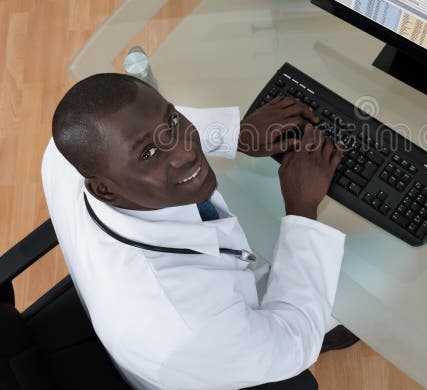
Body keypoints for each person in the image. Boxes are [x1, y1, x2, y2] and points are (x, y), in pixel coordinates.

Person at [41, 73, 357, 390]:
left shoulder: (65, 151)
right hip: (205, 361)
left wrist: (236, 133)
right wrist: (302, 208)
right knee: (362, 296)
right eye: (148, 155)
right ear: (104, 191)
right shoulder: (189, 328)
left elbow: (146, 126)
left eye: (175, 122)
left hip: (172, 332)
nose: (186, 153)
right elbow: (293, 344)